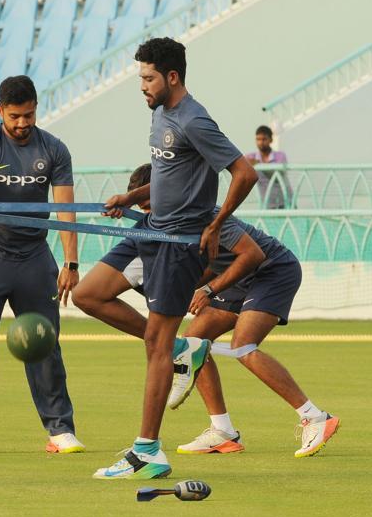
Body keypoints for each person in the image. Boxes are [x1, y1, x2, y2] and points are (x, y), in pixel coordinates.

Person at [74, 167, 337, 459]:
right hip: (233, 275)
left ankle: (315, 417)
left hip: (271, 271)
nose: (151, 214)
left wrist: (208, 291)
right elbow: (208, 262)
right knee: (194, 342)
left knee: (243, 346)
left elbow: (251, 256)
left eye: (152, 204)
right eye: (144, 208)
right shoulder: (161, 221)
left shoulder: (200, 212)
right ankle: (222, 431)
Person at [90, 37, 258, 479]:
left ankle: (147, 452)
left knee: (155, 346)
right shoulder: (161, 114)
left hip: (179, 244)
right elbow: (169, 176)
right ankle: (185, 348)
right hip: (150, 229)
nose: (142, 86)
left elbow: (245, 172)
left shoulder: (195, 119)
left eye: (148, 78)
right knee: (90, 294)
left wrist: (218, 222)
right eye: (140, 78)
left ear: (172, 77)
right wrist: (132, 195)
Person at [0, 75, 84, 456]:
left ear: (36, 109)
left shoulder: (54, 150)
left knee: (44, 345)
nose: (22, 123)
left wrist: (71, 262)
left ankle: (60, 430)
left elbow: (66, 210)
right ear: (0, 112)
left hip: (35, 259)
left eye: (28, 115)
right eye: (14, 116)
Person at [245, 125, 292, 209]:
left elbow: (278, 174)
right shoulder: (251, 157)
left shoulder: (280, 156)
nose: (261, 142)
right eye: (258, 139)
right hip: (267, 205)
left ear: (271, 140)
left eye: (264, 139)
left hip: (286, 201)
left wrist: (259, 164)